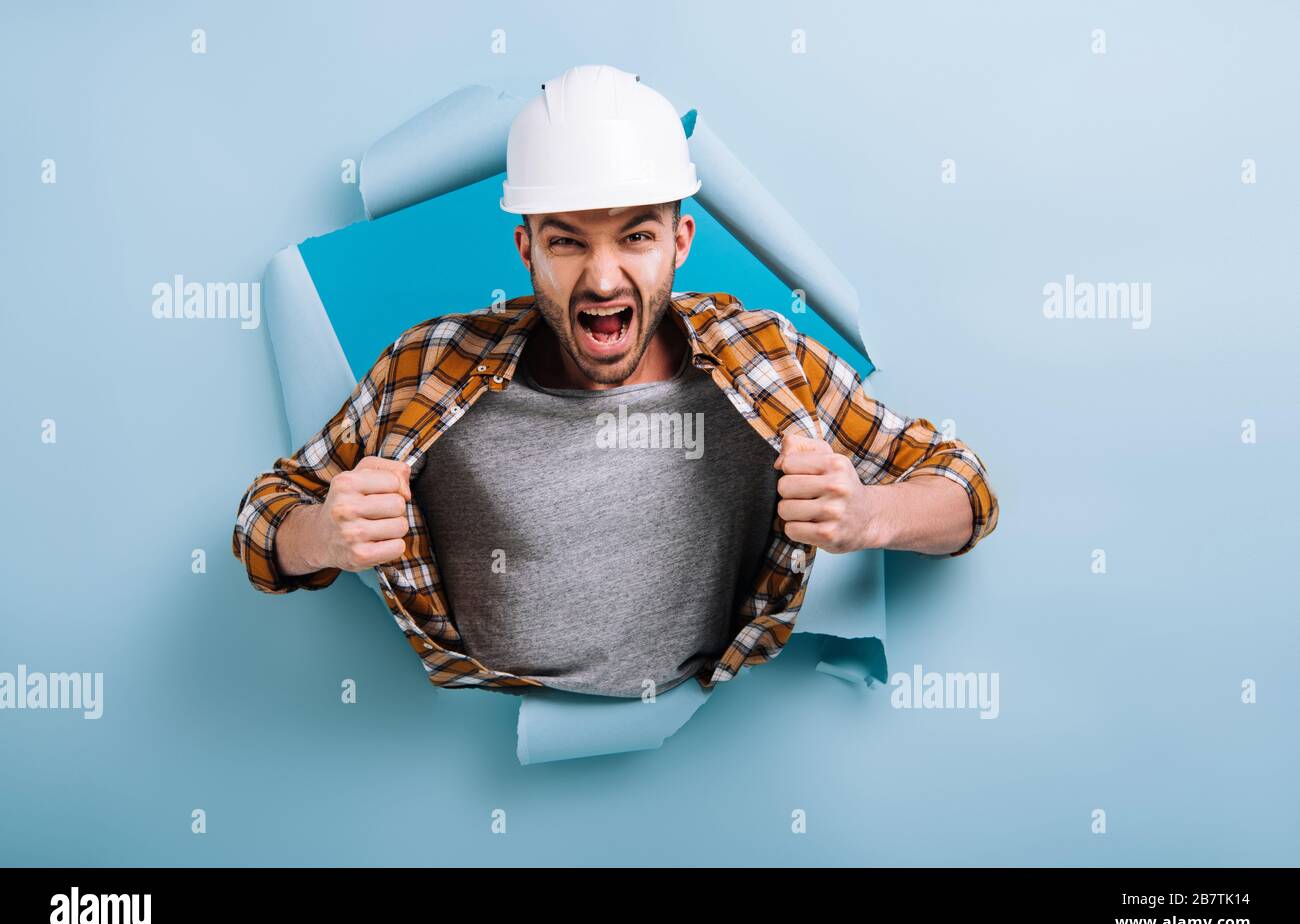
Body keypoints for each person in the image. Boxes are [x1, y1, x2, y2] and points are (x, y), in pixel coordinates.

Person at [232, 64, 999, 698]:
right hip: (471, 758)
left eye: (636, 235)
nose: (603, 278)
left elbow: (967, 491)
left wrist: (871, 516)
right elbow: (261, 521)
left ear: (679, 243)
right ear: (525, 249)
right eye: (568, 242)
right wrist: (322, 536)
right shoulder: (429, 364)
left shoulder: (767, 357)